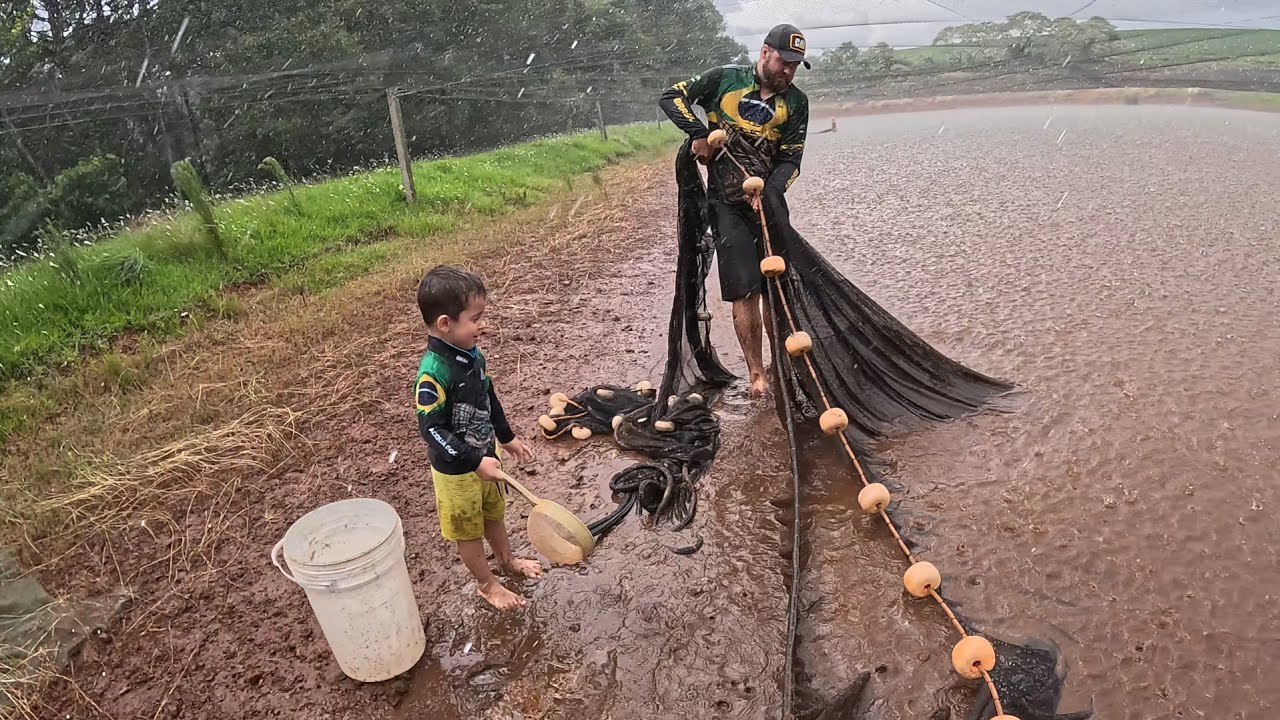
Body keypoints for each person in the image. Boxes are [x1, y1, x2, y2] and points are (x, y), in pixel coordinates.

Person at [659, 23, 811, 398]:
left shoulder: (797, 103)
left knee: (778, 287)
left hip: (769, 207)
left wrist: (771, 192)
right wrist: (697, 133)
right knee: (745, 291)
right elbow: (671, 96)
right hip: (725, 205)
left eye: (795, 66)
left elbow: (792, 161)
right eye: (783, 61)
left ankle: (782, 366)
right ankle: (757, 375)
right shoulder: (723, 80)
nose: (788, 71)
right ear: (764, 53)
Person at [413, 264, 541, 610]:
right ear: (445, 324)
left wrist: (507, 437)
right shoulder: (433, 374)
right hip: (457, 472)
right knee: (468, 530)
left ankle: (506, 560)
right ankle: (487, 584)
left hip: (487, 457)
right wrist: (472, 461)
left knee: (493, 514)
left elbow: (488, 397)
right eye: (476, 319)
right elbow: (432, 430)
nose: (483, 325)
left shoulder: (474, 357)